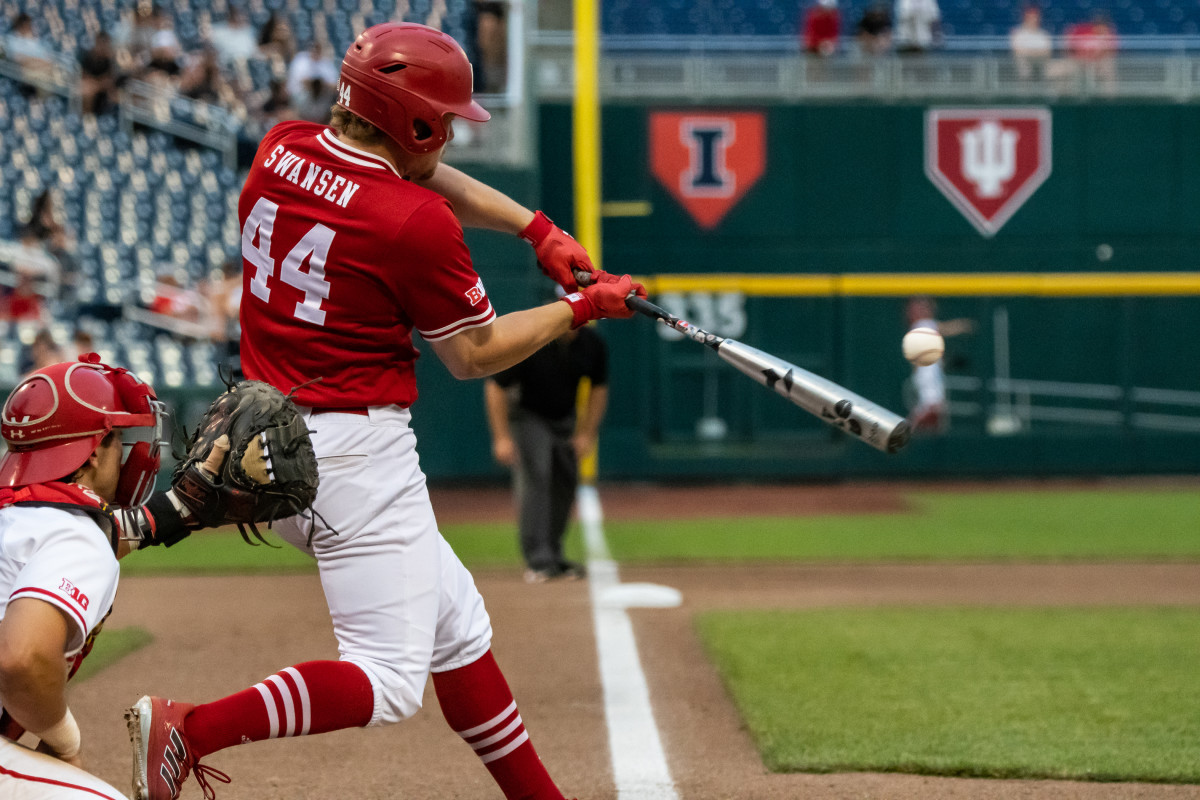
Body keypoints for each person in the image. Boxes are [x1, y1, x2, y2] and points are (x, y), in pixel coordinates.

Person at [125, 21, 643, 800]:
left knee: (459, 630)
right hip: (356, 458)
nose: (451, 135)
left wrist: (536, 229)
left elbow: (409, 175)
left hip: (267, 439)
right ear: (416, 122)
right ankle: (190, 728)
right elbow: (473, 354)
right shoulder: (411, 222)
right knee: (390, 680)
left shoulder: (281, 146)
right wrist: (580, 310)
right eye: (443, 121)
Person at [0, 356, 224, 799]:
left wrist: (178, 508)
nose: (123, 453)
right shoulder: (77, 537)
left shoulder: (20, 516)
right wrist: (65, 742)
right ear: (94, 449)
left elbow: (84, 535)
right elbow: (22, 659)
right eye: (118, 439)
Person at [485, 322, 608, 583]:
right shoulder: (535, 338)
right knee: (537, 476)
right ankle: (538, 560)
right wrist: (502, 437)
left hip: (563, 418)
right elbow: (496, 386)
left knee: (566, 480)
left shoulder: (592, 343)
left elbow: (599, 387)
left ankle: (553, 555)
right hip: (527, 415)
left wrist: (586, 433)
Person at [903, 296, 973, 434]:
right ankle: (904, 432)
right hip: (928, 377)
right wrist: (964, 325)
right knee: (932, 409)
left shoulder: (919, 327)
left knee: (933, 413)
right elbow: (945, 328)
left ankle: (906, 431)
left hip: (927, 376)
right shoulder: (923, 324)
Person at [1010, 5, 1052, 80]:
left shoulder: (1044, 34)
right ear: (1025, 18)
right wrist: (1035, 52)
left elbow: (1047, 52)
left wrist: (1031, 52)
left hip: (1041, 64)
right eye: (1031, 17)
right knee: (1023, 66)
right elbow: (1018, 51)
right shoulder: (1018, 33)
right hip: (1024, 65)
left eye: (1035, 17)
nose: (1033, 20)